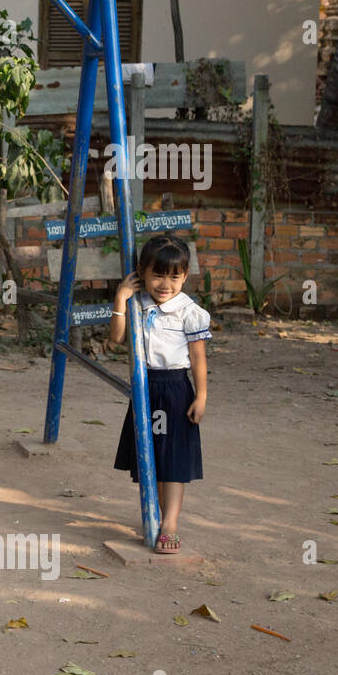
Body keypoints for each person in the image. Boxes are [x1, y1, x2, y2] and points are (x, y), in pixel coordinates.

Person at [109, 234, 210, 554]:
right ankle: (154, 515)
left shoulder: (189, 311)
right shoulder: (136, 303)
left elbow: (198, 358)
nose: (165, 284)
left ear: (185, 277)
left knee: (174, 462)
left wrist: (202, 396)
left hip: (176, 389)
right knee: (150, 457)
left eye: (174, 276)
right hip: (144, 388)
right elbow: (117, 340)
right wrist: (121, 297)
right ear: (142, 272)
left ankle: (170, 524)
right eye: (157, 275)